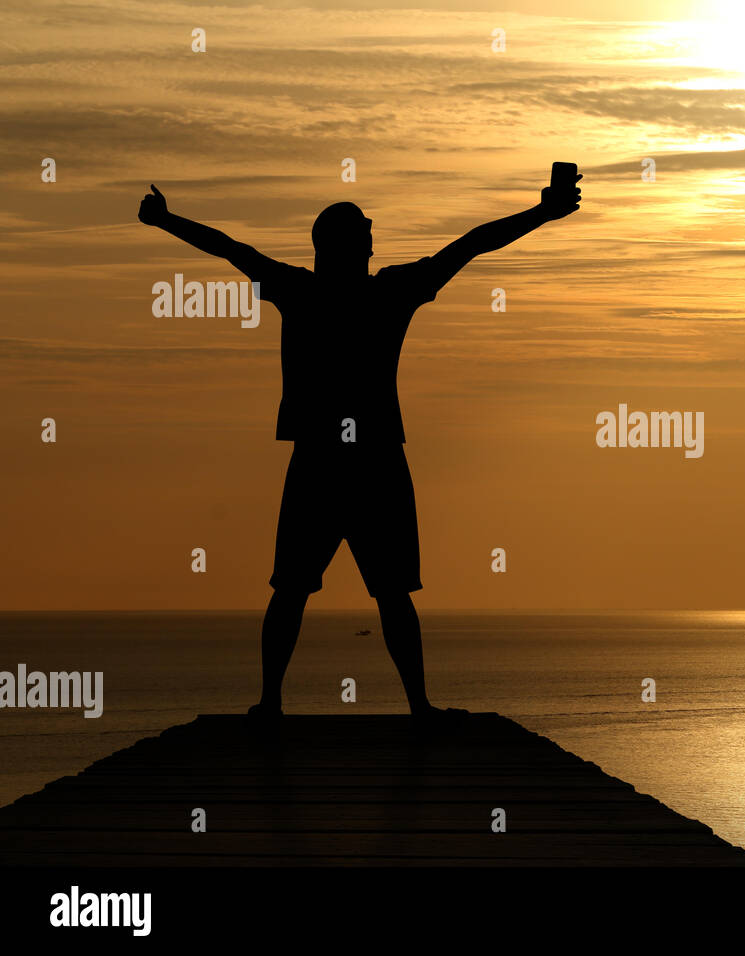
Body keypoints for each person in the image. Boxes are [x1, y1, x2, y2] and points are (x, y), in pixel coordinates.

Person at [137, 173, 582, 720]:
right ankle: (406, 705)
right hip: (372, 461)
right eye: (366, 233)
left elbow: (233, 250)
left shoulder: (304, 290)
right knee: (376, 592)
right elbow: (469, 243)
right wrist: (543, 214)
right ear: (350, 244)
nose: (373, 240)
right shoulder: (384, 292)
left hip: (323, 460)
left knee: (304, 589)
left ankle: (280, 702)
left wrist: (166, 221)